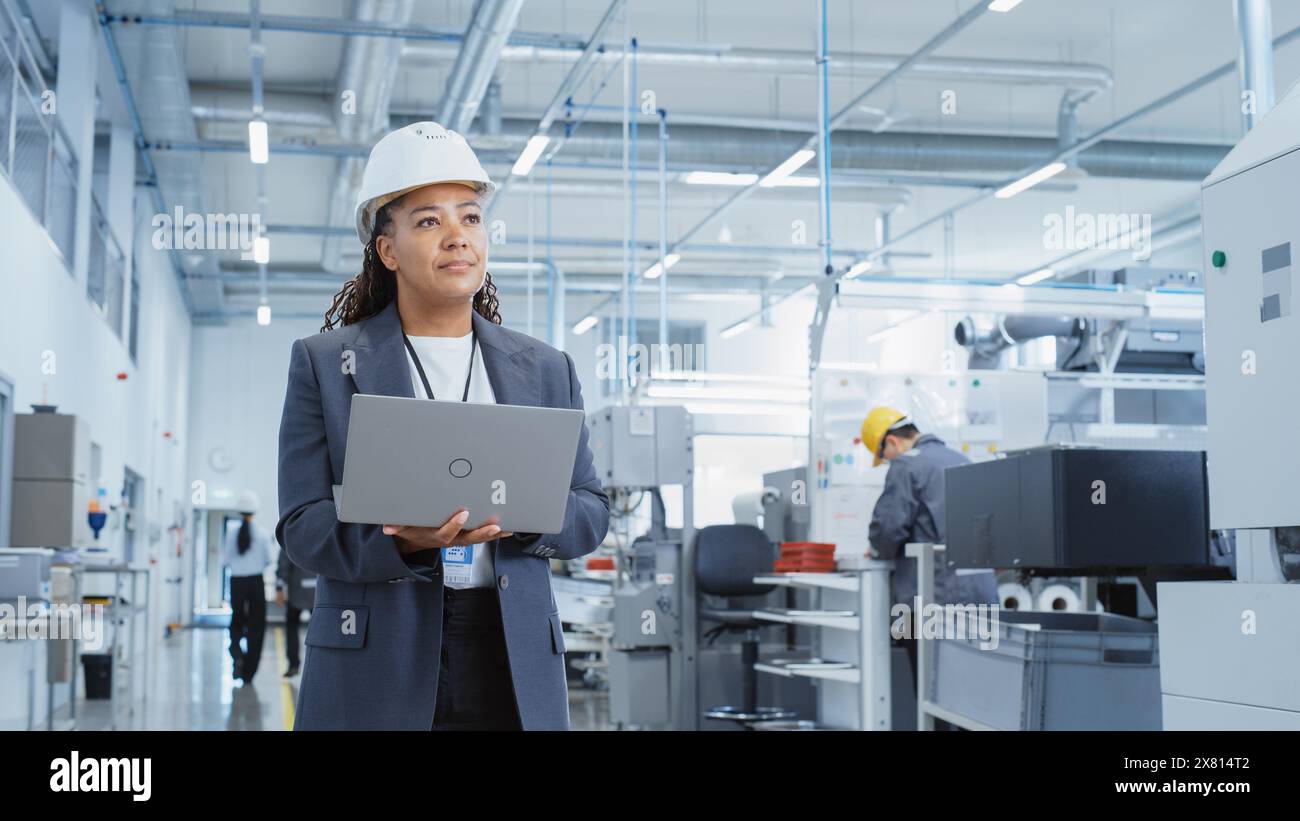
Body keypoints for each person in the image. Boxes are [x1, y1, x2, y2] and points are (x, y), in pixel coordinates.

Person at [276, 121, 610, 731]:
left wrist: (525, 511)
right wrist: (404, 541)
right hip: (378, 655)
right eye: (429, 221)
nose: (458, 237)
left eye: (471, 218)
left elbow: (590, 509)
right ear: (388, 249)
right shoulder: (326, 365)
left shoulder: (544, 368)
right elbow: (302, 527)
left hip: (510, 653)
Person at [859, 407, 998, 686]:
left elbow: (887, 529)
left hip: (928, 600)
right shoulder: (962, 459)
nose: (888, 462)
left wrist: (876, 549)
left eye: (884, 457)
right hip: (981, 594)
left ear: (891, 442)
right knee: (977, 692)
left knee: (930, 691)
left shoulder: (906, 465)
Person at [221, 490, 271, 685]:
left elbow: (225, 560)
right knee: (256, 626)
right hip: (256, 581)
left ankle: (236, 654)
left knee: (236, 621)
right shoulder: (263, 533)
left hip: (237, 581)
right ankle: (249, 673)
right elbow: (268, 560)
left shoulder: (231, 533)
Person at [275, 543, 315, 678]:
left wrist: (279, 588)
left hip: (296, 591)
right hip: (318, 593)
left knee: (291, 628)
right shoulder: (322, 532)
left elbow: (283, 564)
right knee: (319, 631)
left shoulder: (291, 533)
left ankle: (293, 665)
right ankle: (317, 664)